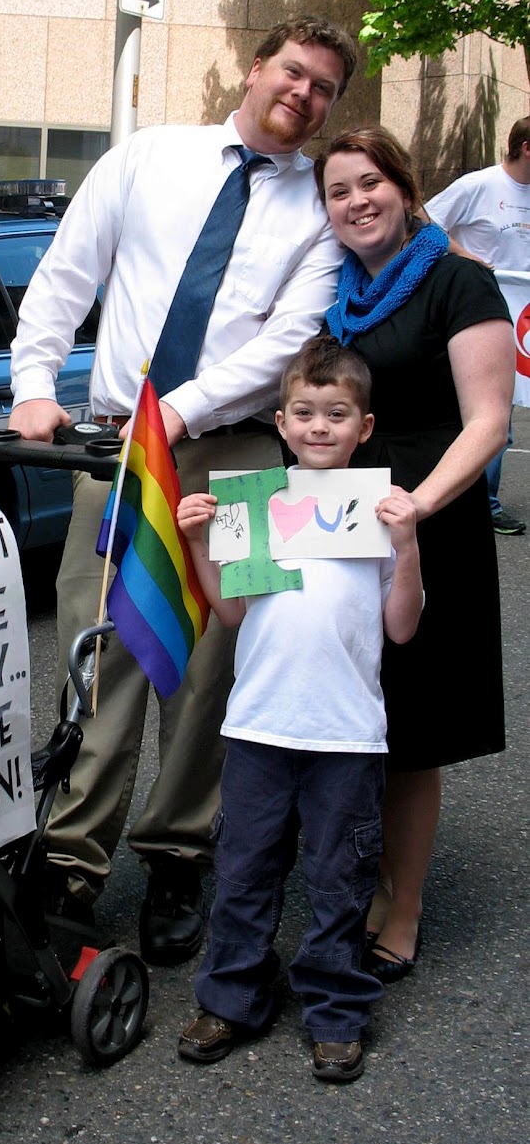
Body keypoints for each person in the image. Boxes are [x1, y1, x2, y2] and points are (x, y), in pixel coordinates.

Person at [9, 15, 358, 965]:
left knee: (213, 667)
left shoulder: (316, 212)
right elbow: (63, 277)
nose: (304, 94)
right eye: (294, 72)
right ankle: (73, 858)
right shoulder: (147, 159)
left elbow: (286, 344)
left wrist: (180, 413)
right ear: (254, 69)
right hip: (116, 449)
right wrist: (35, 387)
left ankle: (177, 853)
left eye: (324, 88)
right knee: (104, 647)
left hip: (241, 456)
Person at [175, 336, 423, 1082]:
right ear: (280, 424)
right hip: (258, 726)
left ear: (363, 428)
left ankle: (335, 1010)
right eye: (305, 413)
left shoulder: (379, 513)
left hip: (346, 733)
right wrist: (196, 546)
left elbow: (402, 625)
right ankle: (231, 1000)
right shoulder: (254, 507)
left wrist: (406, 544)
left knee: (338, 877)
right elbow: (227, 613)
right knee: (244, 869)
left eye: (336, 414)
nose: (319, 427)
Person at [317, 126, 514, 982]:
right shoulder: (335, 297)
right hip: (342, 526)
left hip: (426, 524)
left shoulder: (458, 280)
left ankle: (403, 905)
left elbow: (488, 421)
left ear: (403, 185)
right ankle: (360, 876)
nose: (356, 202)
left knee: (414, 727)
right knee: (354, 712)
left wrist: (420, 506)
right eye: (337, 191)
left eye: (370, 183)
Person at [423, 117, 530, 535]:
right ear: (526, 148)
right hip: (483, 313)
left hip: (524, 314)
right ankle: (482, 502)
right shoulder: (479, 186)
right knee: (494, 415)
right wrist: (466, 257)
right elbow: (425, 219)